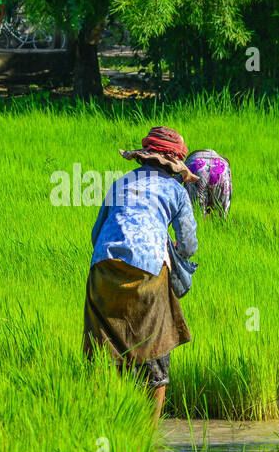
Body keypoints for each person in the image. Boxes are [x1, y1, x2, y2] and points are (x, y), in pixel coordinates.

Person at [85, 126, 198, 420]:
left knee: (104, 354)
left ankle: (103, 423)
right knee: (155, 358)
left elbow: (97, 234)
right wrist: (172, 248)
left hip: (103, 269)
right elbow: (188, 244)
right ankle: (147, 436)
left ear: (145, 157)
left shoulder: (121, 183)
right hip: (148, 273)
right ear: (173, 163)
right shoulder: (176, 190)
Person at [185, 149, 232, 217]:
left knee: (197, 214)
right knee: (221, 214)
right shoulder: (222, 160)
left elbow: (176, 182)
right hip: (222, 168)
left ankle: (200, 225)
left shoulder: (190, 160)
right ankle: (220, 226)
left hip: (196, 166)